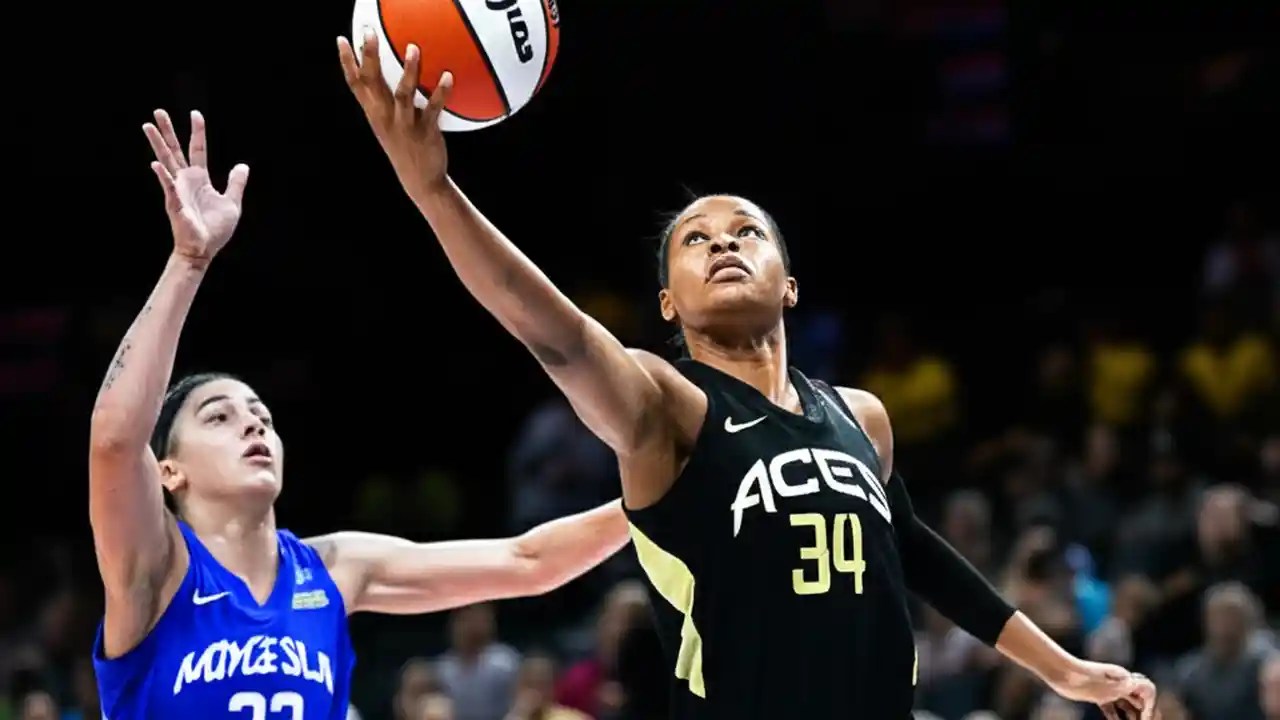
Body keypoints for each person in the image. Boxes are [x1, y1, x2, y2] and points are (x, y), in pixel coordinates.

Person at [336, 31, 1159, 720]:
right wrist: (434, 189)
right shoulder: (667, 408)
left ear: (789, 284)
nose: (723, 244)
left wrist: (1067, 671)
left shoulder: (863, 418)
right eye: (695, 241)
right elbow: (556, 336)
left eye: (746, 232)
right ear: (668, 303)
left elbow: (918, 554)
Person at [88, 108, 632, 719]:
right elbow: (114, 438)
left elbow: (528, 562)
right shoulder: (155, 570)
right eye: (218, 417)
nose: (253, 424)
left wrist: (658, 498)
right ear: (169, 471)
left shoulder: (335, 568)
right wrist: (188, 263)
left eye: (261, 414)